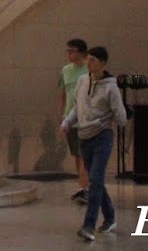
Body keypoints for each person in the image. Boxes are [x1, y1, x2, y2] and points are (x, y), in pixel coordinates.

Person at [63, 44, 126, 242]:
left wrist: (107, 118)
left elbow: (122, 118)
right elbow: (76, 107)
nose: (89, 63)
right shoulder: (82, 81)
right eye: (88, 59)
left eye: (93, 60)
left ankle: (88, 225)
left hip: (102, 137)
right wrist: (67, 122)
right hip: (84, 137)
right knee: (96, 180)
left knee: (96, 180)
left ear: (103, 63)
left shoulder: (111, 88)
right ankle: (110, 217)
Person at [58, 39, 90, 202]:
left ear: (82, 53)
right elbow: (64, 94)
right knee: (77, 155)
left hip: (85, 119)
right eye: (67, 51)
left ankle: (86, 188)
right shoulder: (65, 71)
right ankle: (83, 187)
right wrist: (63, 116)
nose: (69, 54)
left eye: (72, 50)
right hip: (70, 119)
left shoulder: (89, 70)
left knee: (84, 155)